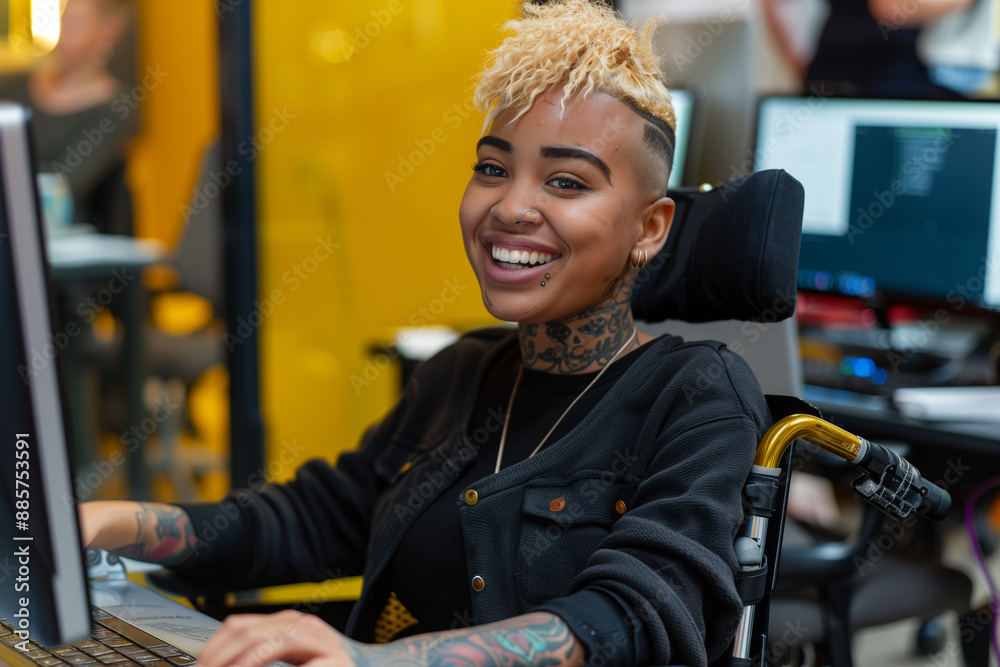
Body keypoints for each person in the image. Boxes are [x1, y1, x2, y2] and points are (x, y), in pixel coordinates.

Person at [80, 2, 769, 666]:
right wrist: (108, 522)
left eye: (564, 181)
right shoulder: (459, 373)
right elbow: (312, 518)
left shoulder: (698, 393)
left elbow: (631, 613)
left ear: (650, 229)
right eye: (493, 169)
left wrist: (374, 658)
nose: (511, 206)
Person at [0, 0, 135, 235]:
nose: (62, 38)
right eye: (62, 22)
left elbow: (65, 185)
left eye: (76, 25)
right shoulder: (14, 87)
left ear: (107, 32)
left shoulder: (112, 109)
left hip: (58, 236)